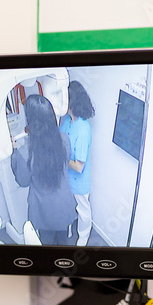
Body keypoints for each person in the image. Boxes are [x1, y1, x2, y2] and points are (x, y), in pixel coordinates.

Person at [11, 94, 77, 245]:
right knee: (64, 244)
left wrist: (14, 151)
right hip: (63, 206)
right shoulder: (64, 139)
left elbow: (22, 181)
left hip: (43, 211)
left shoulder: (25, 151)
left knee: (45, 247)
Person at [60, 80, 95, 246]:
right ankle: (67, 227)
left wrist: (60, 158)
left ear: (71, 103)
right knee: (67, 205)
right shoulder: (66, 120)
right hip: (65, 177)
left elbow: (79, 166)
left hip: (78, 181)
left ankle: (84, 236)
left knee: (83, 210)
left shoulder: (83, 129)